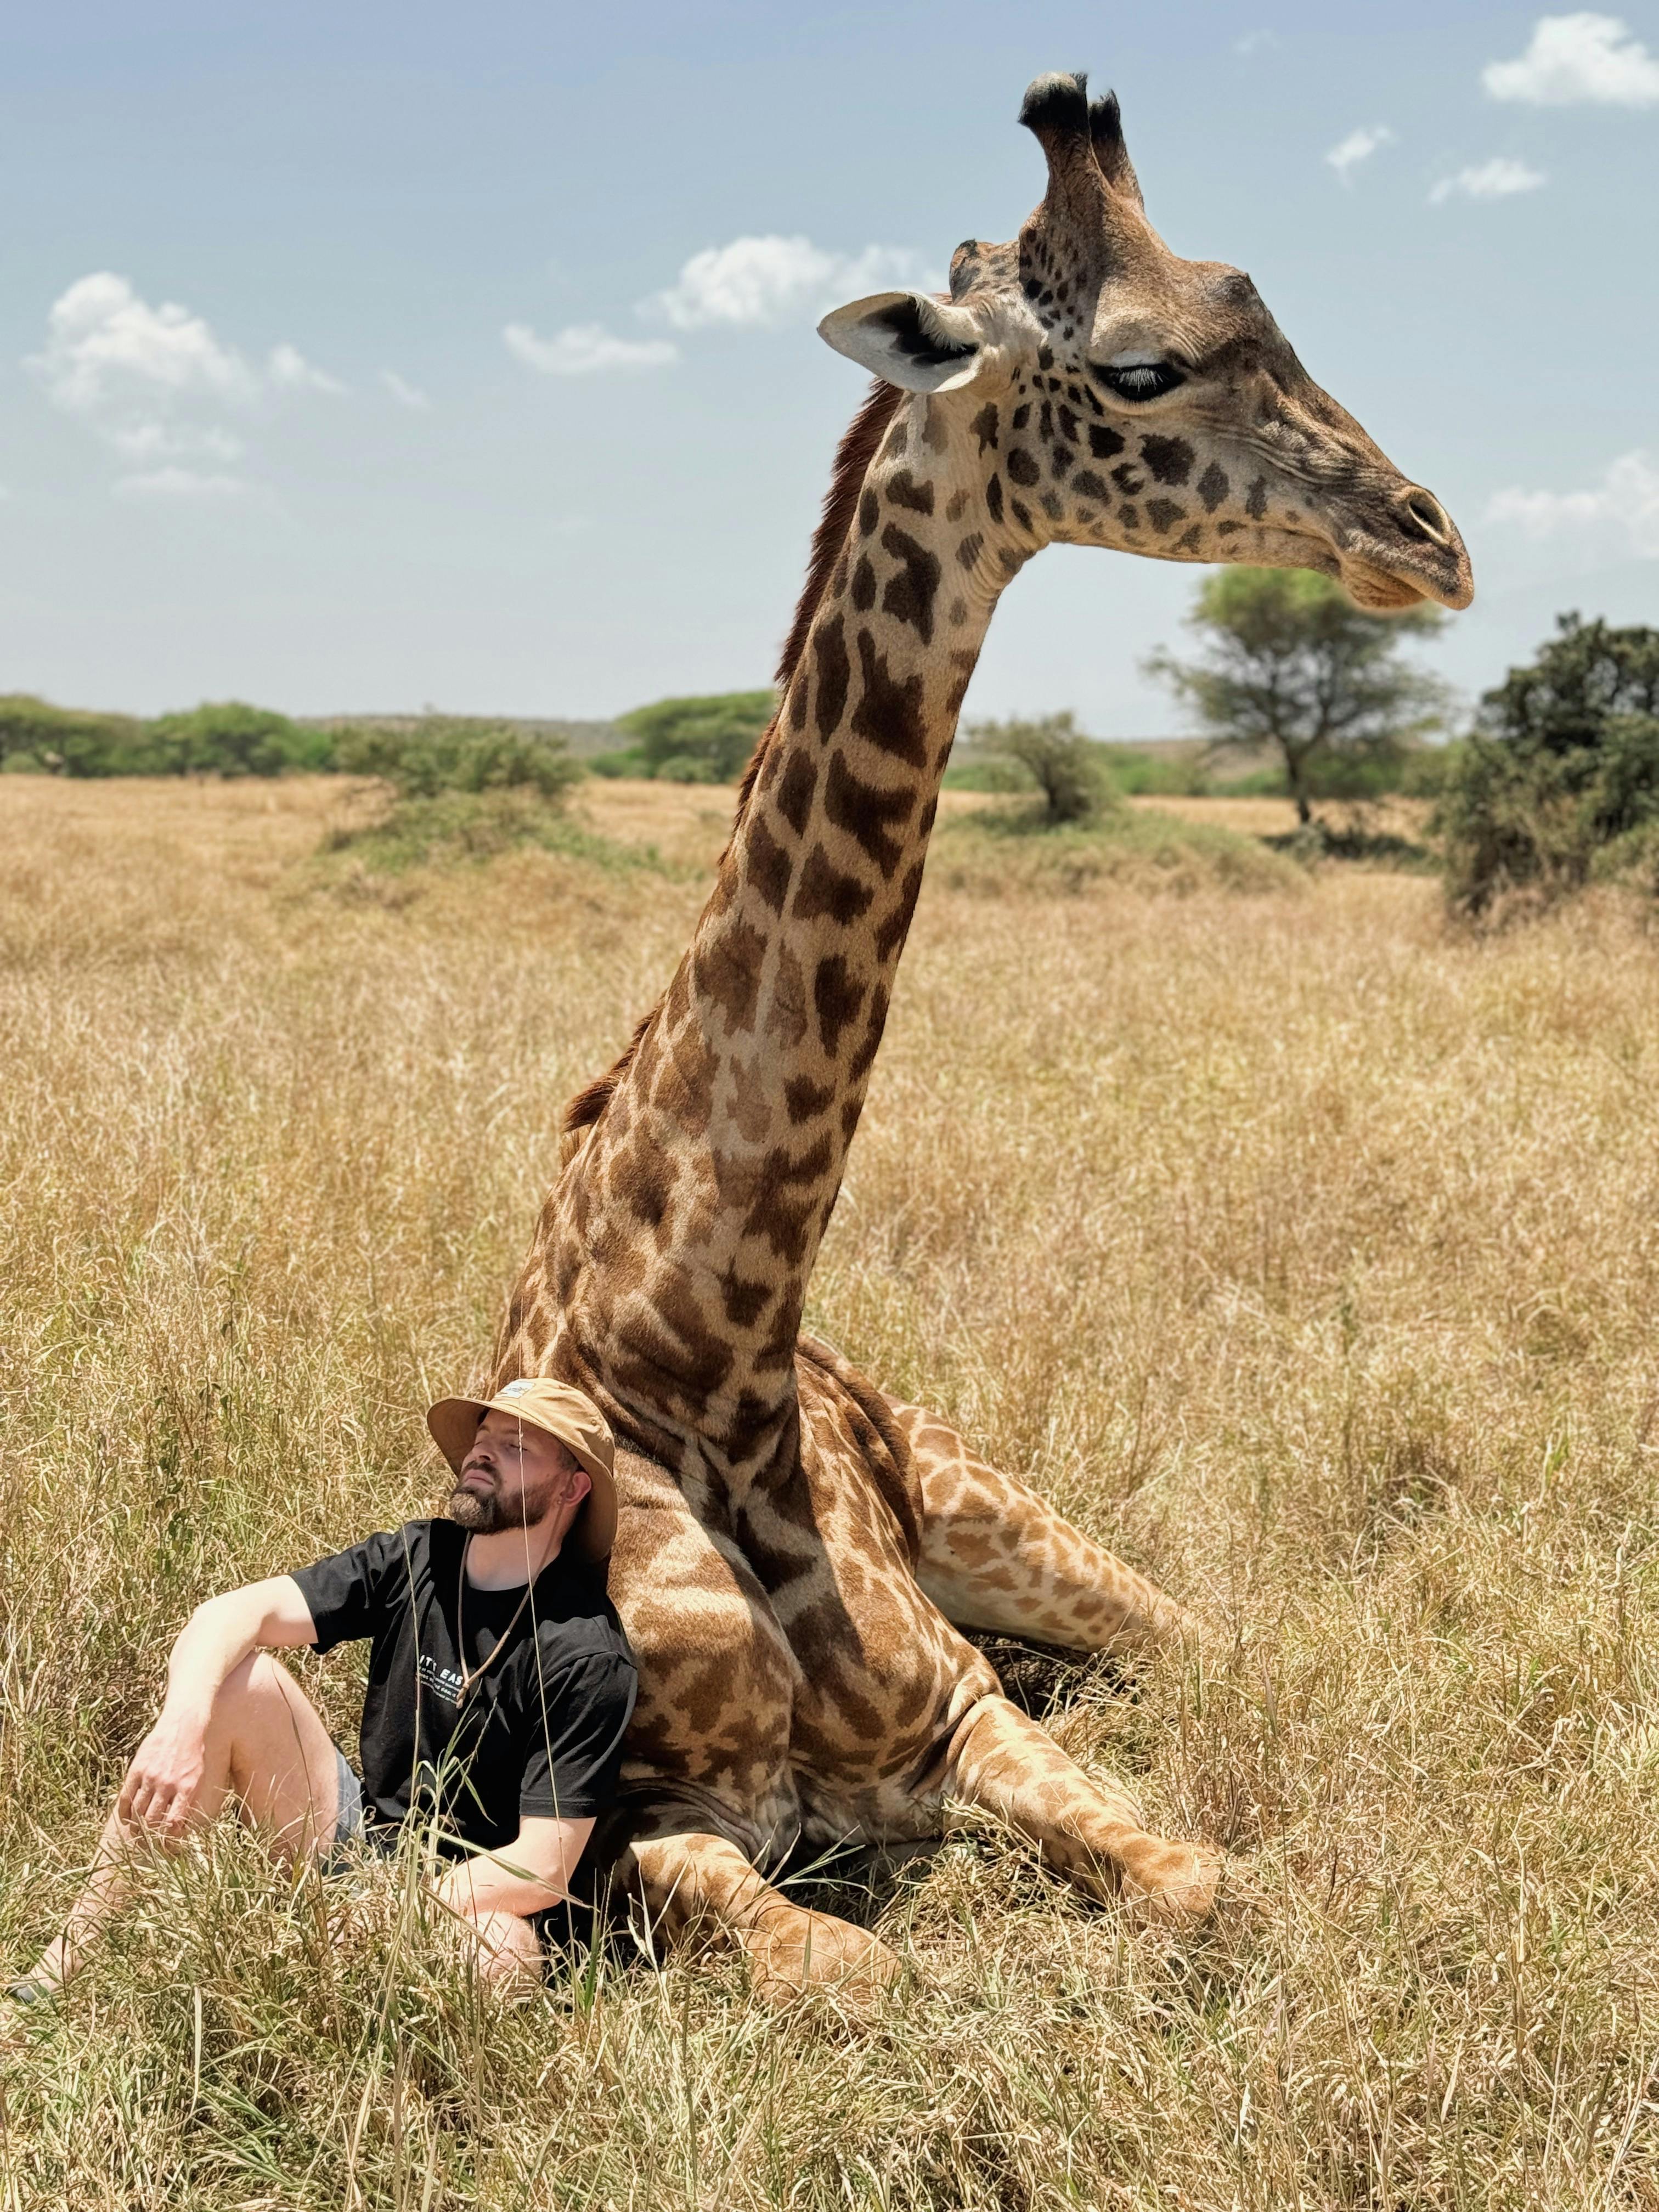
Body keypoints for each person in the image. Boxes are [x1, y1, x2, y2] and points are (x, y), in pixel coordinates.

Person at [10, 1377, 637, 2001]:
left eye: (517, 1447)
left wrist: (392, 1915)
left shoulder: (584, 1651)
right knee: (235, 1682)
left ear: (571, 1487)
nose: (483, 1451)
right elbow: (231, 1614)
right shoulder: (418, 1556)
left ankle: (394, 2078)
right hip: (363, 1840)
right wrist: (180, 1726)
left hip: (474, 1902)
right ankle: (62, 1973)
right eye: (485, 1435)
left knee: (494, 1954)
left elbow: (542, 1867)